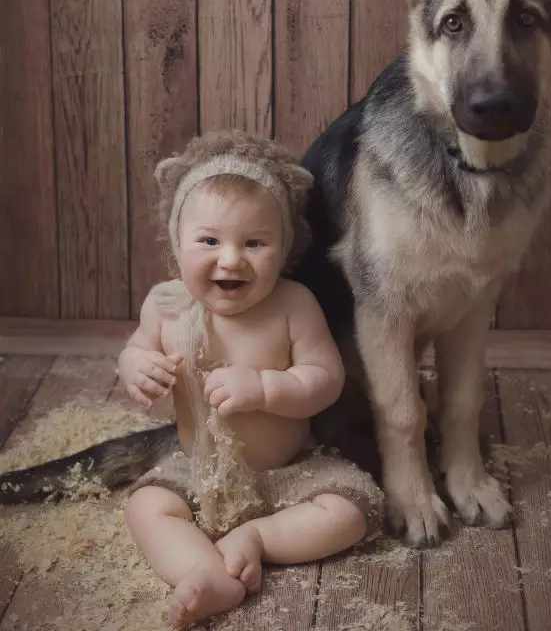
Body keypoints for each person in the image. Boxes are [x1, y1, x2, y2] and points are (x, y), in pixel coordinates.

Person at [117, 130, 383, 629]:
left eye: (255, 242)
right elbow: (136, 348)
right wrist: (137, 368)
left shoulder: (292, 305)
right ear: (177, 241)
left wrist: (265, 388)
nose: (232, 258)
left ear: (285, 248)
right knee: (147, 507)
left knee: (350, 512)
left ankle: (259, 537)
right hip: (200, 470)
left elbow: (325, 379)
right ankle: (204, 573)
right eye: (210, 241)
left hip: (287, 472)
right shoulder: (165, 304)